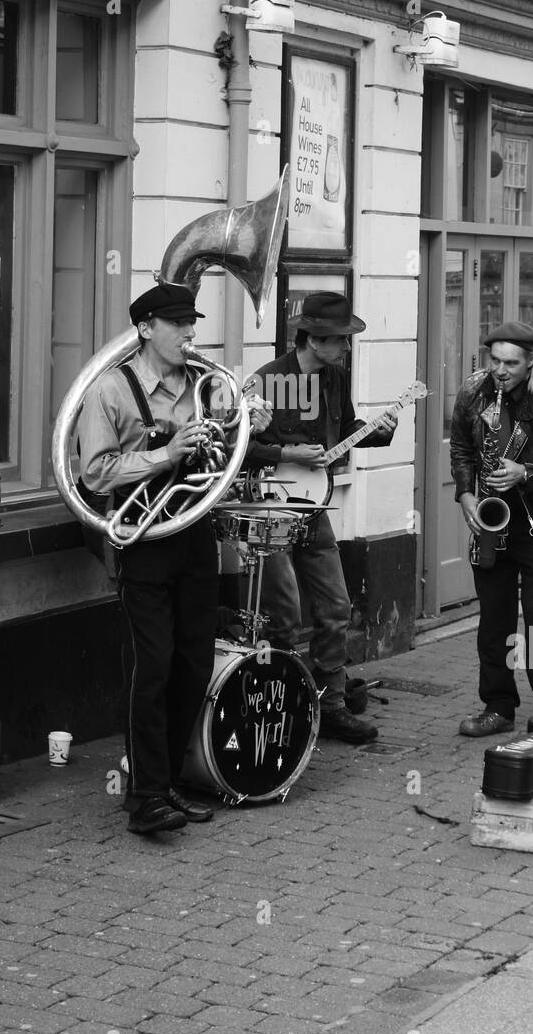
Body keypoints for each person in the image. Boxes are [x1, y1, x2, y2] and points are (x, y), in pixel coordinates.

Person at [77, 282, 272, 835]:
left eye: (193, 323)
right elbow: (94, 472)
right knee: (152, 667)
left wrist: (246, 429)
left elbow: (225, 450)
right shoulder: (112, 390)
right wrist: (165, 452)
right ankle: (143, 796)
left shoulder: (204, 385)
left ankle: (169, 783)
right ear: (146, 329)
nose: (191, 333)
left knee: (193, 663)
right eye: (179, 324)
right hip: (142, 537)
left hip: (193, 533)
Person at [245, 292, 398, 744]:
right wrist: (286, 451)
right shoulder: (265, 381)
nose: (346, 348)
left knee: (335, 606)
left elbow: (345, 432)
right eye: (340, 340)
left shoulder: (334, 378)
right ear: (312, 339)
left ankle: (330, 705)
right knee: (284, 613)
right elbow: (237, 446)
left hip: (314, 508)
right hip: (269, 506)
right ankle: (277, 703)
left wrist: (376, 432)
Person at [449, 321, 533, 737]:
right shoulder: (475, 389)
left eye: (511, 363)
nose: (501, 370)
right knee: (494, 621)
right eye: (495, 361)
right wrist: (466, 495)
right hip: (493, 522)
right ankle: (498, 707)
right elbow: (461, 448)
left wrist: (526, 472)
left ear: (530, 362)